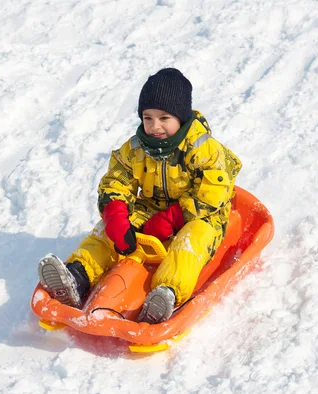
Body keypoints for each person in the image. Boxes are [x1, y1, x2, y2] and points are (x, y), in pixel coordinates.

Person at [37, 68, 242, 324]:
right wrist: (115, 214)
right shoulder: (136, 147)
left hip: (197, 217)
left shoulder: (203, 148)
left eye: (164, 117)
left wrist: (175, 217)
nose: (154, 126)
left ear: (181, 117)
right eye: (148, 117)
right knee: (104, 233)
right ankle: (77, 277)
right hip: (150, 210)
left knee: (190, 243)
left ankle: (167, 294)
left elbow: (214, 191)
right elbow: (116, 179)